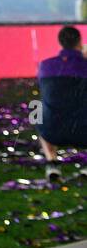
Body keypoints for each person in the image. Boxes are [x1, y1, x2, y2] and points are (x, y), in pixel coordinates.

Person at [36, 26, 87, 182]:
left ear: (60, 43)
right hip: (83, 130)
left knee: (37, 108)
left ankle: (52, 162)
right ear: (80, 42)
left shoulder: (45, 66)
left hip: (52, 130)